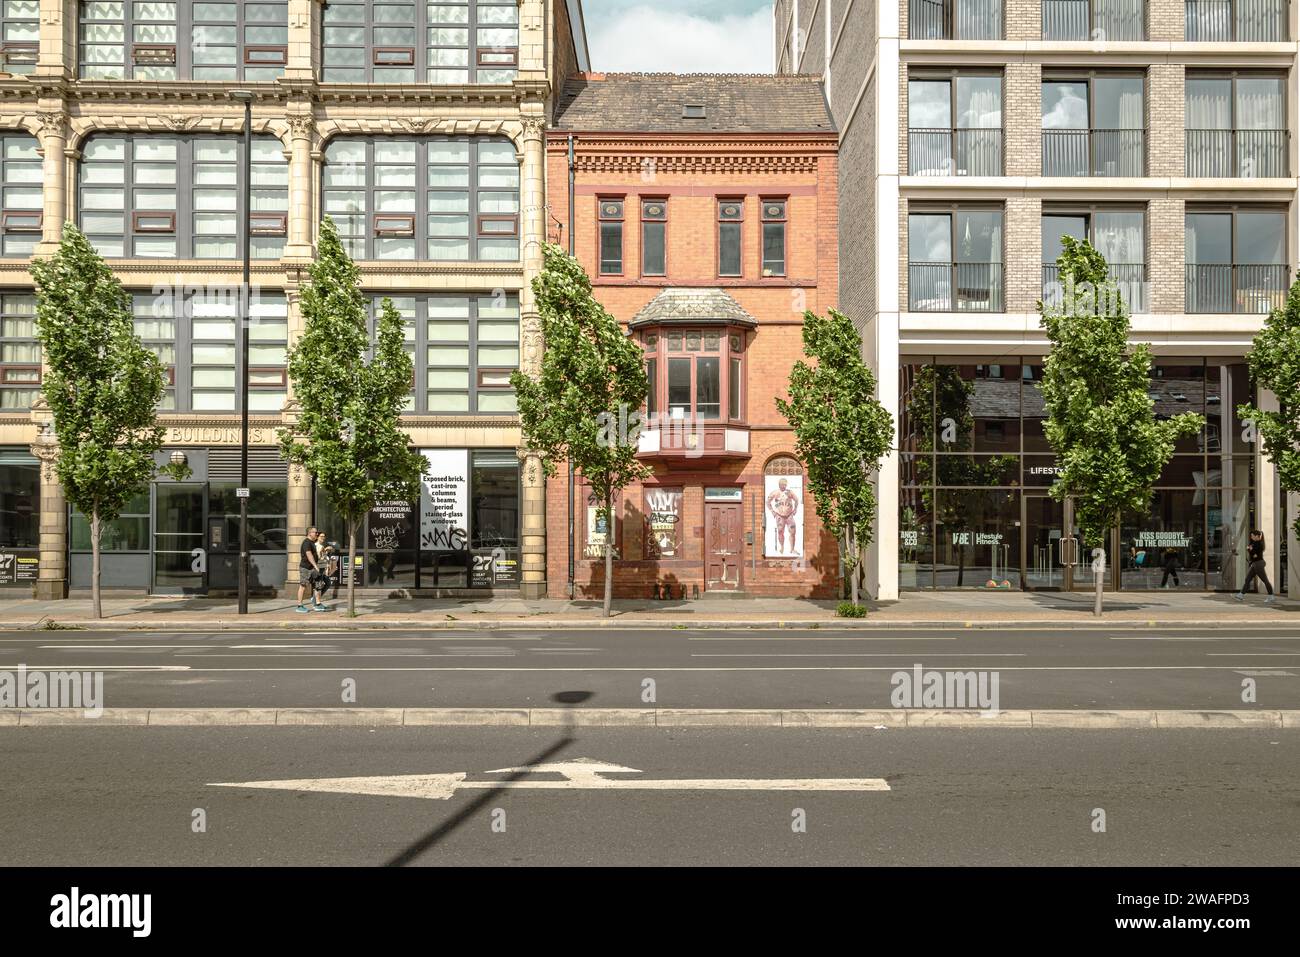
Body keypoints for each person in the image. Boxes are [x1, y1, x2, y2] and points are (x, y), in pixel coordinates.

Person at [1234, 529, 1275, 603]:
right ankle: (1241, 595)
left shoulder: (1259, 544)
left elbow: (1255, 555)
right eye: (1251, 536)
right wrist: (1250, 549)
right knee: (1247, 579)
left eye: (1252, 536)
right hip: (1255, 564)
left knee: (1265, 580)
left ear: (1257, 536)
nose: (1251, 537)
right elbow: (1252, 552)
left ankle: (1271, 596)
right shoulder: (1254, 543)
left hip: (1258, 563)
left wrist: (1250, 550)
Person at [296, 526, 326, 612]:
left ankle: (317, 604)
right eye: (315, 532)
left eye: (317, 533)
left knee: (317, 584)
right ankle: (299, 605)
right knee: (303, 585)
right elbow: (309, 555)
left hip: (312, 568)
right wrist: (316, 566)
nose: (317, 534)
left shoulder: (312, 542)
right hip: (306, 568)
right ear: (310, 533)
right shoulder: (306, 543)